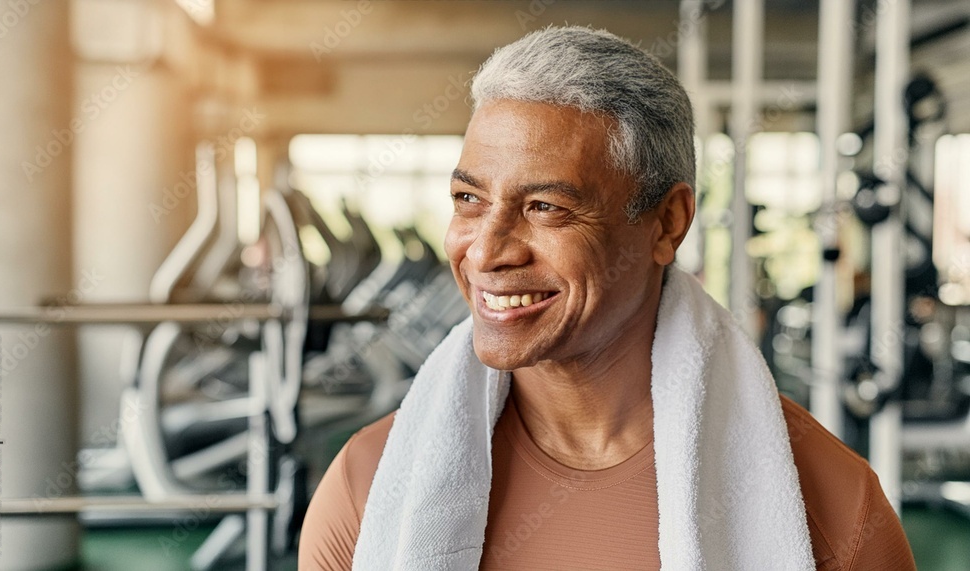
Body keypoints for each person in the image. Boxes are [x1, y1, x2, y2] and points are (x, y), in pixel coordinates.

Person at [299, 26, 916, 570]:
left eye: (546, 208)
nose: (486, 252)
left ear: (668, 224)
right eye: (469, 200)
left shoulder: (832, 509)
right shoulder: (368, 487)